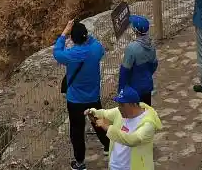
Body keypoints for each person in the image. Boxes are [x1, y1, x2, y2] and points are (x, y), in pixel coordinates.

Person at [54, 20, 109, 169]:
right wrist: (85, 37)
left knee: (77, 131)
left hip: (76, 100)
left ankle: (80, 163)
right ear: (86, 36)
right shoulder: (96, 48)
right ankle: (109, 147)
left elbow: (57, 53)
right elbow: (96, 45)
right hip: (93, 96)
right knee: (99, 122)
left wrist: (64, 33)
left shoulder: (71, 55)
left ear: (72, 39)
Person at [86, 87, 163, 170]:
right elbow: (104, 113)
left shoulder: (148, 124)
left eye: (122, 105)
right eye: (119, 104)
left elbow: (132, 140)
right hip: (114, 166)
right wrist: (93, 112)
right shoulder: (119, 112)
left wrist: (108, 128)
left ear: (133, 104)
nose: (119, 107)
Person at [118, 16, 158, 106]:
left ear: (135, 30)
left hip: (134, 89)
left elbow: (124, 71)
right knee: (146, 109)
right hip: (147, 85)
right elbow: (154, 65)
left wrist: (121, 91)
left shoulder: (132, 48)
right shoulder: (151, 45)